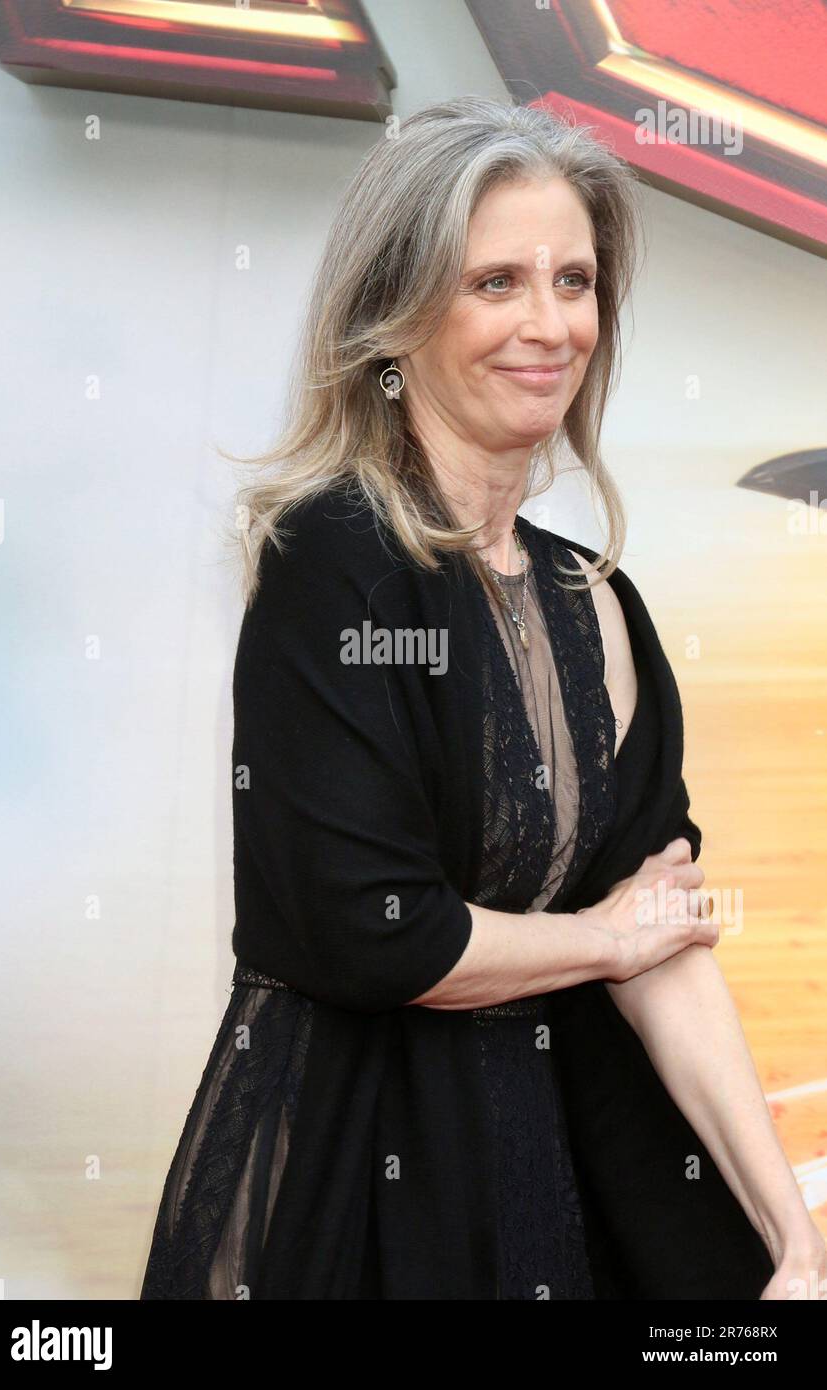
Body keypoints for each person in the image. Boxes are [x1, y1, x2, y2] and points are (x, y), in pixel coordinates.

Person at [140, 96, 826, 1301]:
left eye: (572, 280)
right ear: (395, 320)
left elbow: (663, 952)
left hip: (572, 1154)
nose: (548, 323)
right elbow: (379, 930)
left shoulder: (598, 598)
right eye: (494, 283)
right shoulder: (332, 559)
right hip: (362, 1177)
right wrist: (602, 936)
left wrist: (792, 1238)